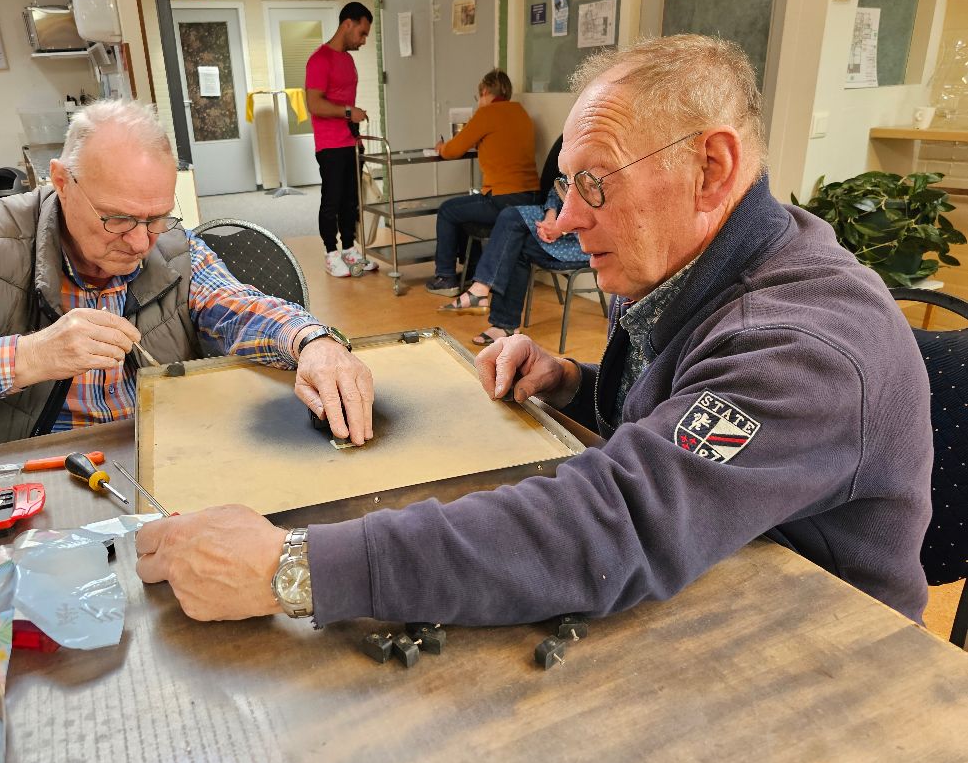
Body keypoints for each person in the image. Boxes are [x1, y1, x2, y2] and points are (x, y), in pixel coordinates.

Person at [133, 35, 932, 629]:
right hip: (719, 574)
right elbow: (687, 424)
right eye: (563, 184)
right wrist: (575, 384)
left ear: (711, 169)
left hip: (820, 656)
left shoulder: (805, 350)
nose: (566, 217)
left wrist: (296, 565)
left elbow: (613, 522)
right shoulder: (687, 262)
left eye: (594, 182)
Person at [0, 100, 374, 457]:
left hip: (152, 460)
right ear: (61, 182)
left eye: (157, 217)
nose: (140, 242)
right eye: (117, 219)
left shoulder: (172, 245)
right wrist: (27, 358)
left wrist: (314, 340)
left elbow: (239, 306)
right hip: (22, 481)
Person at [438, 137, 593, 346]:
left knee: (511, 218)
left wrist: (562, 228)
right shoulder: (575, 153)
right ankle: (504, 324)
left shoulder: (601, 166)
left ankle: (484, 294)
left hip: (580, 244)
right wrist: (550, 215)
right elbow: (557, 191)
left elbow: (599, 215)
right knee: (516, 239)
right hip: (555, 231)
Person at [425, 69, 541, 297]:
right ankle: (471, 272)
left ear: (485, 92)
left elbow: (453, 149)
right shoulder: (521, 112)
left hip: (503, 199)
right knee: (466, 209)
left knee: (449, 210)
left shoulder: (487, 114)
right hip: (531, 197)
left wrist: (440, 147)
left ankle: (446, 276)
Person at [305, 2, 378, 279]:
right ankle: (331, 252)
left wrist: (354, 126)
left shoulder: (348, 60)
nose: (363, 40)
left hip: (350, 143)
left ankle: (350, 249)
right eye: (362, 33)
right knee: (332, 200)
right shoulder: (319, 60)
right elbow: (314, 104)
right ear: (347, 24)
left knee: (351, 201)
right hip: (330, 145)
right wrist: (349, 111)